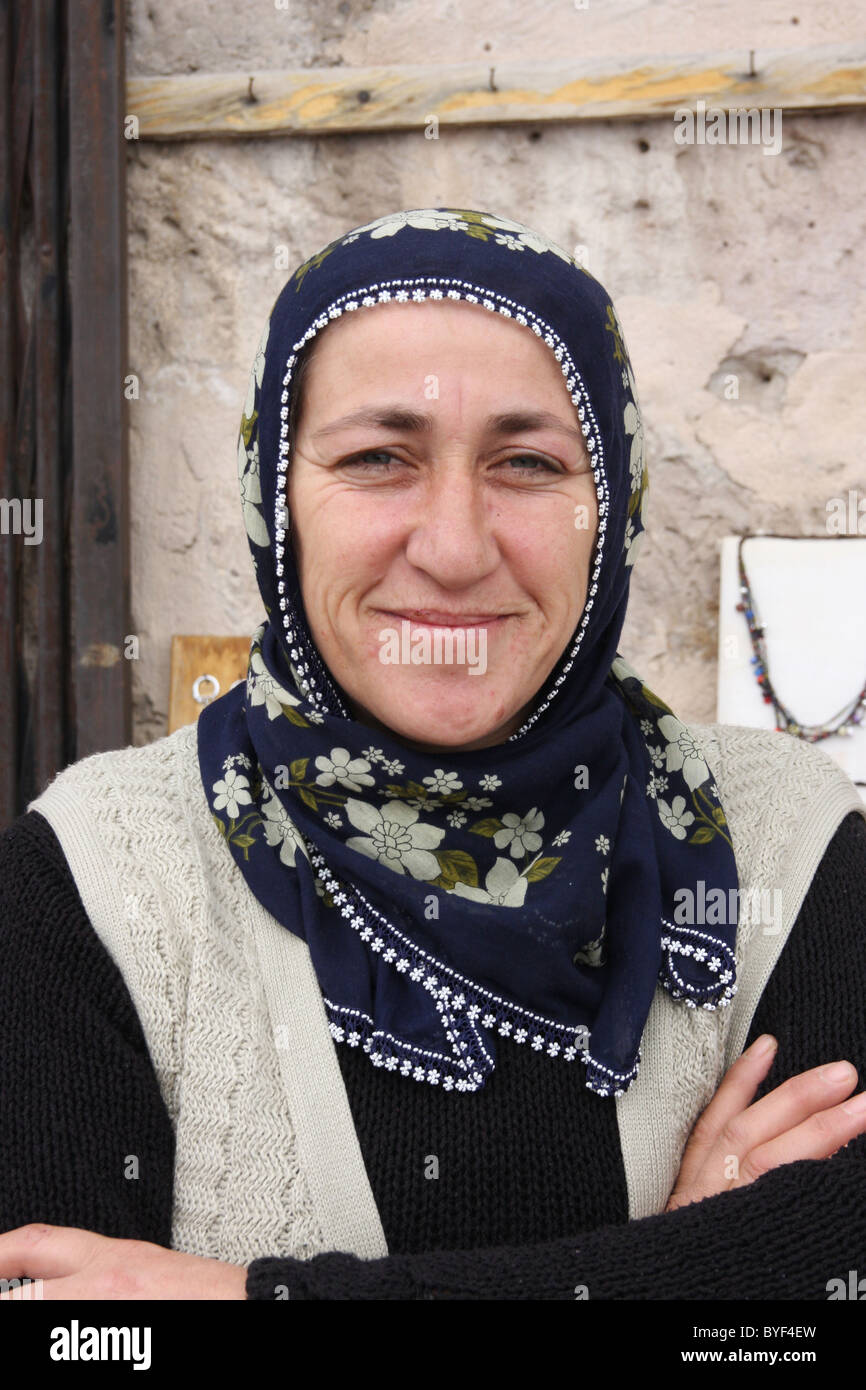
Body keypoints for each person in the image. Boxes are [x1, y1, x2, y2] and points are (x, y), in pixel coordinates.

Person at [1, 206, 865, 1301]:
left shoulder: (779, 842)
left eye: (525, 461)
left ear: (613, 503)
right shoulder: (97, 877)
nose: (453, 547)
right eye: (376, 457)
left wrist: (251, 1299)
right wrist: (699, 1274)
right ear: (277, 499)